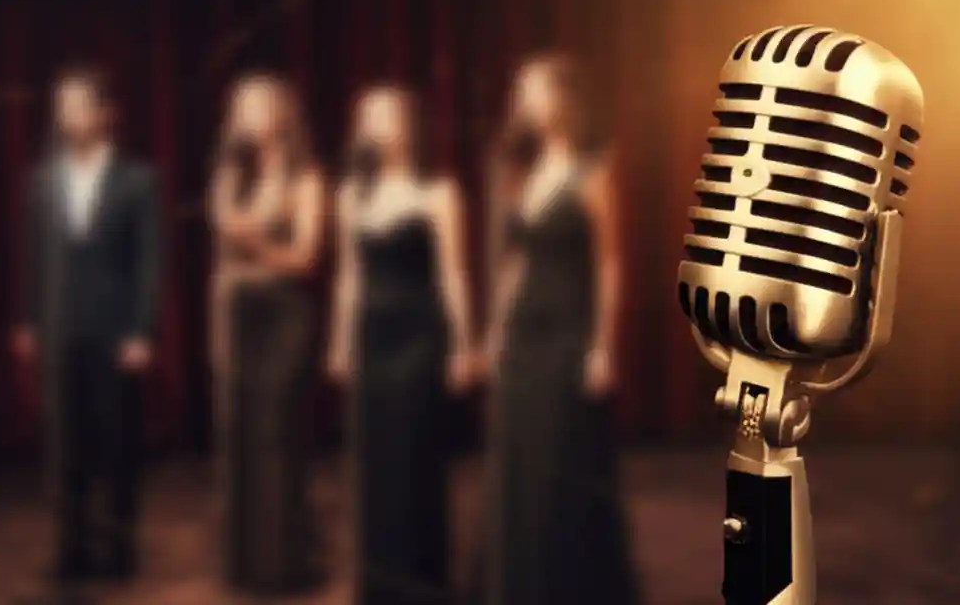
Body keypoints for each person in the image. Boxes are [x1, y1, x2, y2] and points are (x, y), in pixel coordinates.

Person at [480, 54, 639, 604]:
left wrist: (602, 348)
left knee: (558, 466)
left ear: (564, 99)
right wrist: (496, 332)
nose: (526, 103)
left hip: (567, 332)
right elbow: (515, 263)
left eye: (536, 91)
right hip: (523, 334)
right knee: (517, 463)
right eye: (521, 93)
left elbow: (610, 266)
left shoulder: (595, 170)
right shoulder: (523, 174)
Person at [11, 64, 160, 583]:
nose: (66, 115)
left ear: (104, 113)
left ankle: (119, 551)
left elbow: (147, 261)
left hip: (114, 332)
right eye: (61, 105)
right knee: (65, 447)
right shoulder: (43, 179)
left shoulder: (137, 179)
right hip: (58, 328)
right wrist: (29, 319)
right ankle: (71, 552)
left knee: (116, 443)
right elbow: (34, 254)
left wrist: (142, 329)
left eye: (77, 104)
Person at [327, 85, 474, 604]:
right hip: (371, 338)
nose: (380, 126)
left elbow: (453, 277)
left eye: (388, 115)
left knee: (417, 457)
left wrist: (462, 345)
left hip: (418, 339)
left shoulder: (439, 194)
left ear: (410, 125)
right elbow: (348, 277)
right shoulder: (349, 196)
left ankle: (424, 582)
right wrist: (339, 343)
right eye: (370, 117)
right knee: (375, 462)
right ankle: (381, 582)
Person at [208, 73, 325, 594]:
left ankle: (284, 566)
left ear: (281, 113)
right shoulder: (230, 172)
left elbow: (305, 256)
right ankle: (246, 566)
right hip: (237, 312)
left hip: (283, 313)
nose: (246, 115)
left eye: (256, 105)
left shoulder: (306, 176)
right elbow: (222, 251)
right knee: (239, 436)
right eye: (240, 107)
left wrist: (256, 243)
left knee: (276, 436)